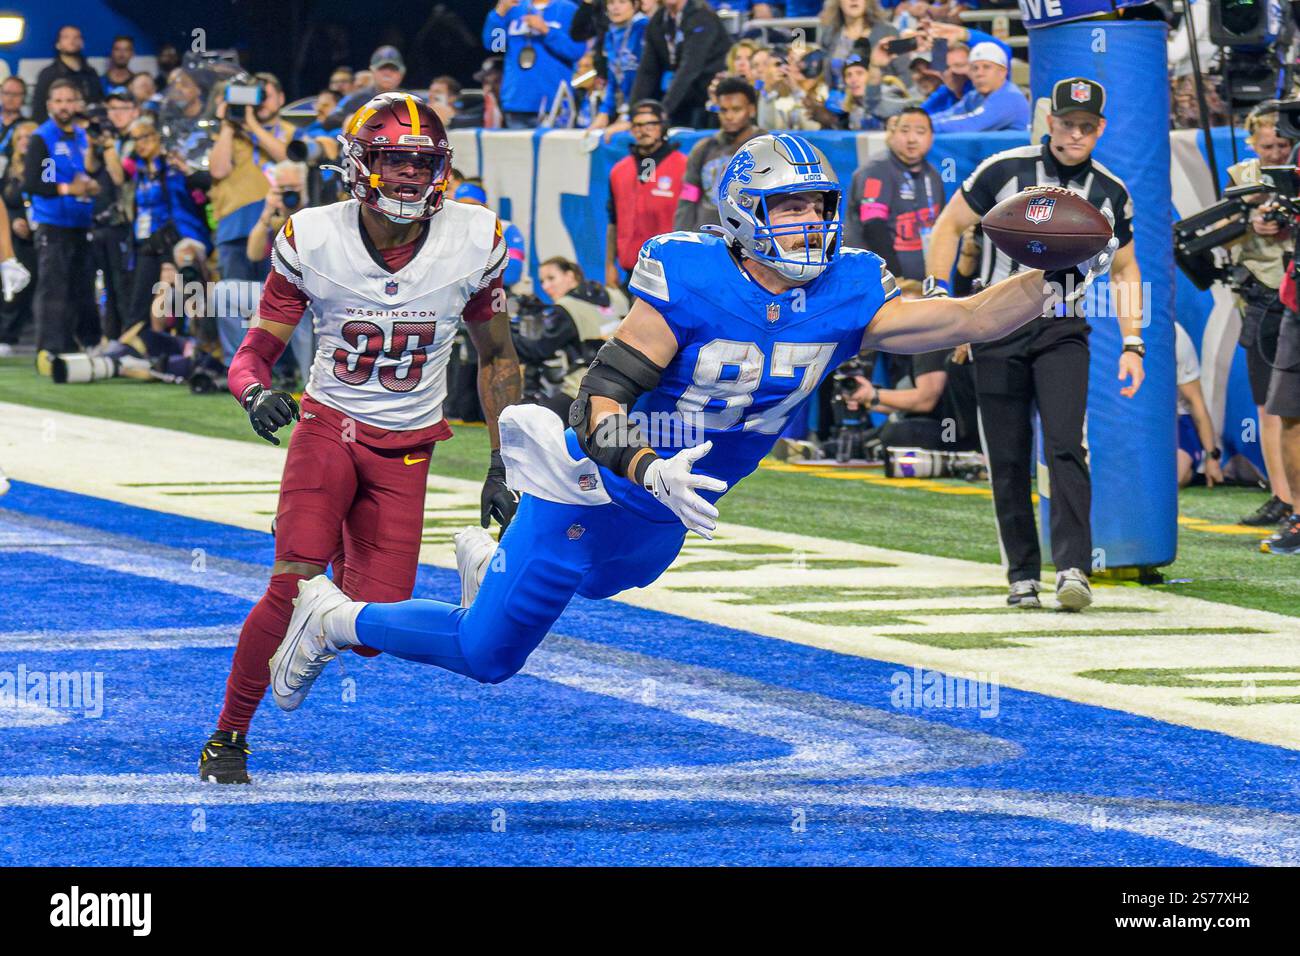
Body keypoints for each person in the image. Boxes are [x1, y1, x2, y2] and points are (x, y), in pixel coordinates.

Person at [265, 130, 1116, 718]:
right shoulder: (692, 275)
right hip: (600, 483)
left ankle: (494, 561)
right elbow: (600, 400)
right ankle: (332, 618)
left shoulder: (850, 289)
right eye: (788, 209)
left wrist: (1053, 277)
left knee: (611, 584)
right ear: (744, 214)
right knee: (489, 656)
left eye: (818, 207)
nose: (810, 225)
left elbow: (968, 318)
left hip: (676, 504)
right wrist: (643, 467)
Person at [197, 94, 522, 784]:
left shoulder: (475, 237)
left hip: (406, 448)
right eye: (393, 159)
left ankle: (326, 617)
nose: (408, 175)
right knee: (290, 583)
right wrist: (254, 391)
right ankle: (229, 735)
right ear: (359, 165)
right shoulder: (313, 235)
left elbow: (498, 355)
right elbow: (253, 350)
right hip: (327, 432)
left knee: (372, 631)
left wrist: (504, 460)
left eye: (421, 161)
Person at [925, 77, 1142, 612]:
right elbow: (949, 226)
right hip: (996, 322)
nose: (1075, 134)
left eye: (1087, 126)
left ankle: (1074, 568)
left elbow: (1127, 267)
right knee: (1006, 454)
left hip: (1063, 325)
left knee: (1067, 443)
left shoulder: (1110, 191)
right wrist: (941, 300)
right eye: (1068, 123)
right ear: (1050, 122)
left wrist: (1134, 342)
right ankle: (1022, 573)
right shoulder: (1004, 169)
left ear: (1101, 129)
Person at [1229, 109, 1294, 527]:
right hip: (1262, 295)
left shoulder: (1296, 169)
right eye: (1267, 146)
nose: (1274, 153)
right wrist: (1248, 218)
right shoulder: (1244, 175)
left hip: (1292, 292)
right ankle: (1281, 494)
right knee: (1269, 404)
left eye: (1281, 145)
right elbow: (1220, 231)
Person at [24, 80, 108, 360]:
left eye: (69, 100)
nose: (64, 106)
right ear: (49, 105)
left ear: (79, 104)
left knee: (82, 287)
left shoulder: (85, 136)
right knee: (54, 287)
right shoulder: (42, 137)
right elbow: (33, 183)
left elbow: (92, 172)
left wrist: (93, 186)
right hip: (53, 224)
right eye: (58, 100)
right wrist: (67, 188)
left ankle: (86, 342)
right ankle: (50, 348)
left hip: (82, 223)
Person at [122, 115, 210, 326]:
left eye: (144, 137)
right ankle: (140, 345)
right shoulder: (139, 172)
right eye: (135, 139)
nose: (139, 144)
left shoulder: (173, 167)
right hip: (148, 242)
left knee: (182, 298)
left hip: (176, 240)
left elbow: (200, 187)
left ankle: (194, 344)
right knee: (141, 299)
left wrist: (183, 169)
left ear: (157, 136)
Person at [844, 106, 942, 293]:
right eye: (904, 131)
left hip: (921, 286)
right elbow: (874, 226)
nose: (912, 139)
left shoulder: (933, 176)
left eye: (920, 132)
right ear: (892, 134)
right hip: (881, 285)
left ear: (931, 137)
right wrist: (896, 278)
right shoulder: (875, 171)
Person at [517, 255, 629, 416]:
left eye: (551, 278)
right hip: (630, 388)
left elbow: (537, 349)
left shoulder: (566, 308)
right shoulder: (616, 295)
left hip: (586, 391)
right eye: (542, 281)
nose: (546, 286)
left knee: (536, 421)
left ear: (570, 276)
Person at [209, 72, 295, 282]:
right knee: (236, 303)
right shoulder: (231, 134)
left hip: (279, 232)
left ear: (281, 98)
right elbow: (218, 171)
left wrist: (252, 125)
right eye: (254, 95)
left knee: (274, 304)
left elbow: (288, 157)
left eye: (264, 95)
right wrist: (228, 125)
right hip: (235, 228)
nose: (259, 102)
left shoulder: (291, 132)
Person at [606, 100, 685, 287]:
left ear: (663, 127)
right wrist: (609, 265)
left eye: (650, 124)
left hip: (669, 273)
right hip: (631, 272)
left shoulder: (684, 166)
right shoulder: (619, 171)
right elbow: (613, 221)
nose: (643, 130)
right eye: (637, 125)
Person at [673, 77, 764, 233]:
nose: (728, 116)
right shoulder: (703, 149)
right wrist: (681, 237)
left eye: (736, 109)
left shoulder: (766, 147)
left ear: (751, 110)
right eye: (723, 110)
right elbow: (689, 197)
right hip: (708, 240)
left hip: (752, 241)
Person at [483, 0, 586, 128]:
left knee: (552, 148)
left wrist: (547, 31)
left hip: (553, 104)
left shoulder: (569, 9)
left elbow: (576, 51)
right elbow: (495, 46)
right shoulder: (513, 8)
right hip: (517, 101)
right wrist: (500, 12)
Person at [631, 0, 731, 128]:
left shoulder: (702, 17)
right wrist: (634, 115)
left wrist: (663, 113)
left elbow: (690, 68)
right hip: (682, 97)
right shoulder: (658, 21)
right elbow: (647, 72)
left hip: (708, 98)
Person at [89, 91, 135, 341]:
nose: (116, 114)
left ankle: (129, 339)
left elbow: (120, 177)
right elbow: (89, 168)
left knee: (124, 284)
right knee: (109, 284)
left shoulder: (136, 140)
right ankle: (112, 337)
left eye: (123, 108)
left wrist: (107, 146)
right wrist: (92, 140)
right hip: (106, 221)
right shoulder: (112, 139)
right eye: (112, 109)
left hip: (128, 224)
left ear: (134, 111)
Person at [926, 42, 1028, 134]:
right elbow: (949, 114)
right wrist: (921, 121)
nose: (979, 73)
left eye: (986, 67)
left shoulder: (1009, 97)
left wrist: (922, 127)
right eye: (975, 68)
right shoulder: (974, 96)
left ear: (1002, 72)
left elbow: (971, 124)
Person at [0, 122, 37, 355]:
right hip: (16, 233)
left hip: (44, 230)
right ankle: (6, 334)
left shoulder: (46, 163)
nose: (25, 140)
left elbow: (51, 190)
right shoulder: (5, 167)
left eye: (30, 136)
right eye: (20, 137)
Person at [1174, 322, 1224, 489]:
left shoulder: (1174, 336)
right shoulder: (1107, 331)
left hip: (1176, 421)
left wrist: (1212, 457)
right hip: (1126, 420)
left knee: (1170, 479)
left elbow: (1196, 402)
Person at [588, 0, 648, 136]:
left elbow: (649, 77)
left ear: (635, 5)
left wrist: (630, 116)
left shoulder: (644, 28)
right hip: (625, 107)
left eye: (622, 2)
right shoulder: (611, 34)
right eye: (611, 2)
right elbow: (613, 77)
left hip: (645, 108)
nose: (615, 7)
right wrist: (604, 112)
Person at [454, 179, 526, 287]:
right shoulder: (449, 234)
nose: (467, 211)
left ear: (485, 207)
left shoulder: (505, 229)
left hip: (497, 295)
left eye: (472, 205)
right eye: (461, 206)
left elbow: (512, 274)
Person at [32, 25, 103, 124]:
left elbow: (99, 103)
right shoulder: (48, 74)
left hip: (86, 132)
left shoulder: (91, 73)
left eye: (76, 37)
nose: (72, 41)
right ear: (58, 44)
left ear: (82, 43)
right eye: (66, 37)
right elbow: (39, 110)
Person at [327, 47, 406, 131]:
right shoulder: (357, 98)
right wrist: (356, 119)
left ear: (401, 74)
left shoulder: (412, 100)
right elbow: (329, 122)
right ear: (372, 71)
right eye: (382, 68)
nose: (387, 73)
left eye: (393, 69)